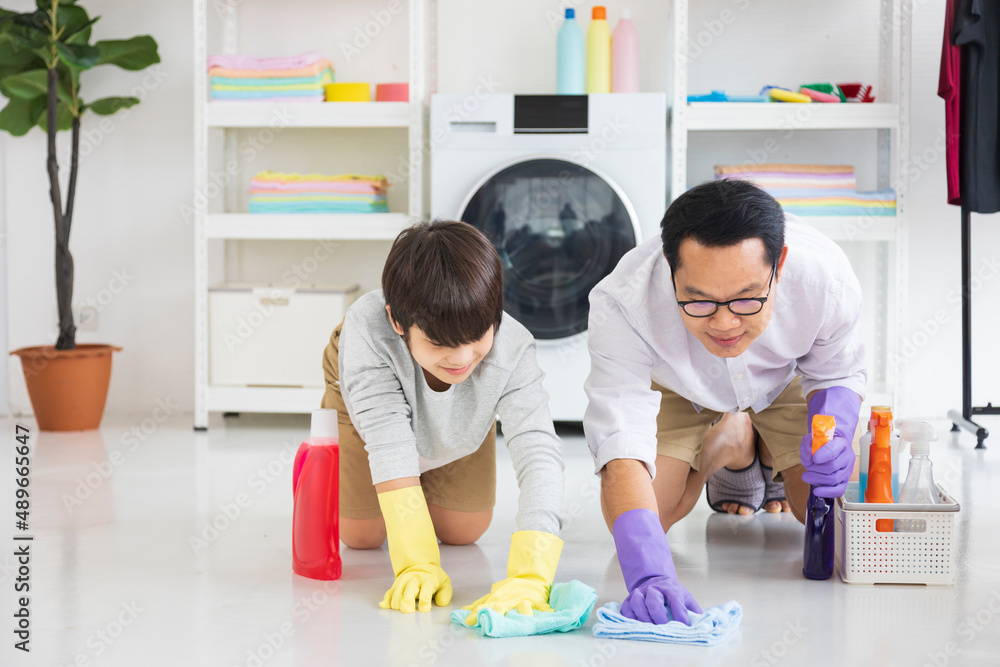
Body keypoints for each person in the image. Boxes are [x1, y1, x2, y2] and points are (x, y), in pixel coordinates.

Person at [584, 179, 866, 625]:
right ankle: (730, 441)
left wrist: (833, 431)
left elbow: (835, 372)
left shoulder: (825, 276)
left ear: (780, 264)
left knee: (816, 509)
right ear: (669, 269)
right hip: (679, 386)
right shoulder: (622, 302)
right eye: (698, 301)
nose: (725, 322)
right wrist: (649, 576)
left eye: (747, 299)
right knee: (646, 520)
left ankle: (770, 446)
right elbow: (621, 443)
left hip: (784, 378)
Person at [322, 220, 565, 620]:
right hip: (369, 407)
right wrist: (415, 562)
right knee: (360, 535)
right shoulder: (368, 331)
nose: (463, 357)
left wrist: (533, 573)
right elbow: (388, 443)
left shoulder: (512, 347)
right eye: (440, 343)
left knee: (463, 530)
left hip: (457, 406)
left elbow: (538, 450)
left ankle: (446, 440)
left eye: (478, 337)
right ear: (399, 322)